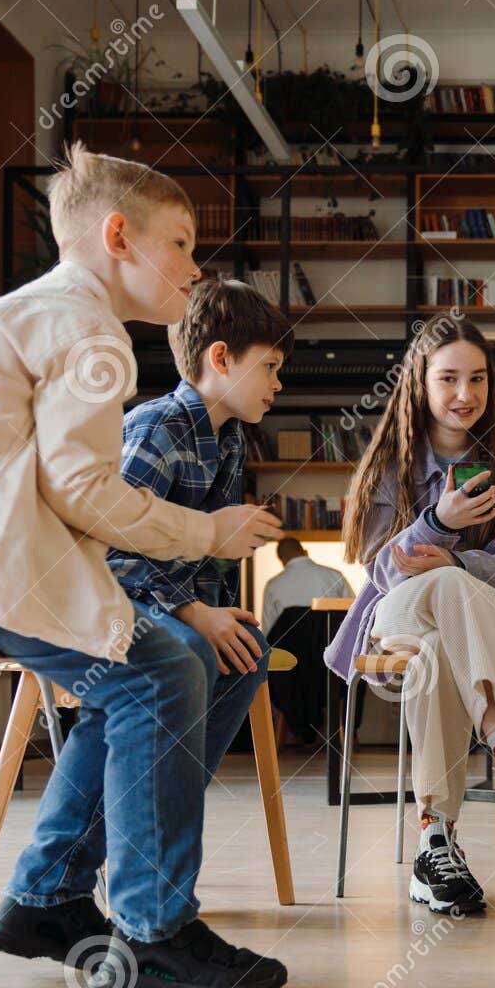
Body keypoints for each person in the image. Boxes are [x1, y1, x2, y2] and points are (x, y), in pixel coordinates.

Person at [0, 143, 288, 988]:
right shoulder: (87, 328)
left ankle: (49, 896)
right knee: (161, 668)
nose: (194, 268)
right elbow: (82, 489)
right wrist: (209, 532)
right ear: (119, 236)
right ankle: (154, 932)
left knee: (152, 663)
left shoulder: (45, 312)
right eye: (180, 243)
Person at [328, 313, 495, 915]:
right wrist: (437, 524)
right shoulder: (387, 465)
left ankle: (434, 846)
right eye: (449, 379)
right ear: (420, 382)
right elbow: (380, 569)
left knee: (437, 646)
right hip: (400, 614)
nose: (465, 394)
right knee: (440, 591)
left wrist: (456, 562)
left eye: (477, 378)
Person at [106, 277, 291, 787]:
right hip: (116, 604)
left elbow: (205, 560)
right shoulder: (158, 427)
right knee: (191, 651)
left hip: (169, 607)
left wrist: (216, 614)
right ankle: (155, 801)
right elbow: (114, 551)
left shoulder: (230, 439)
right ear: (221, 358)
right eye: (270, 367)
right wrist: (193, 613)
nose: (278, 384)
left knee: (246, 649)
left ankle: (171, 796)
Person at [261, 537, 351, 743]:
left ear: (282, 560)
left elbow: (268, 635)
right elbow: (352, 618)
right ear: (305, 552)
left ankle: (297, 729)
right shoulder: (334, 576)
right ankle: (347, 734)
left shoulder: (274, 585)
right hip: (331, 668)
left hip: (292, 674)